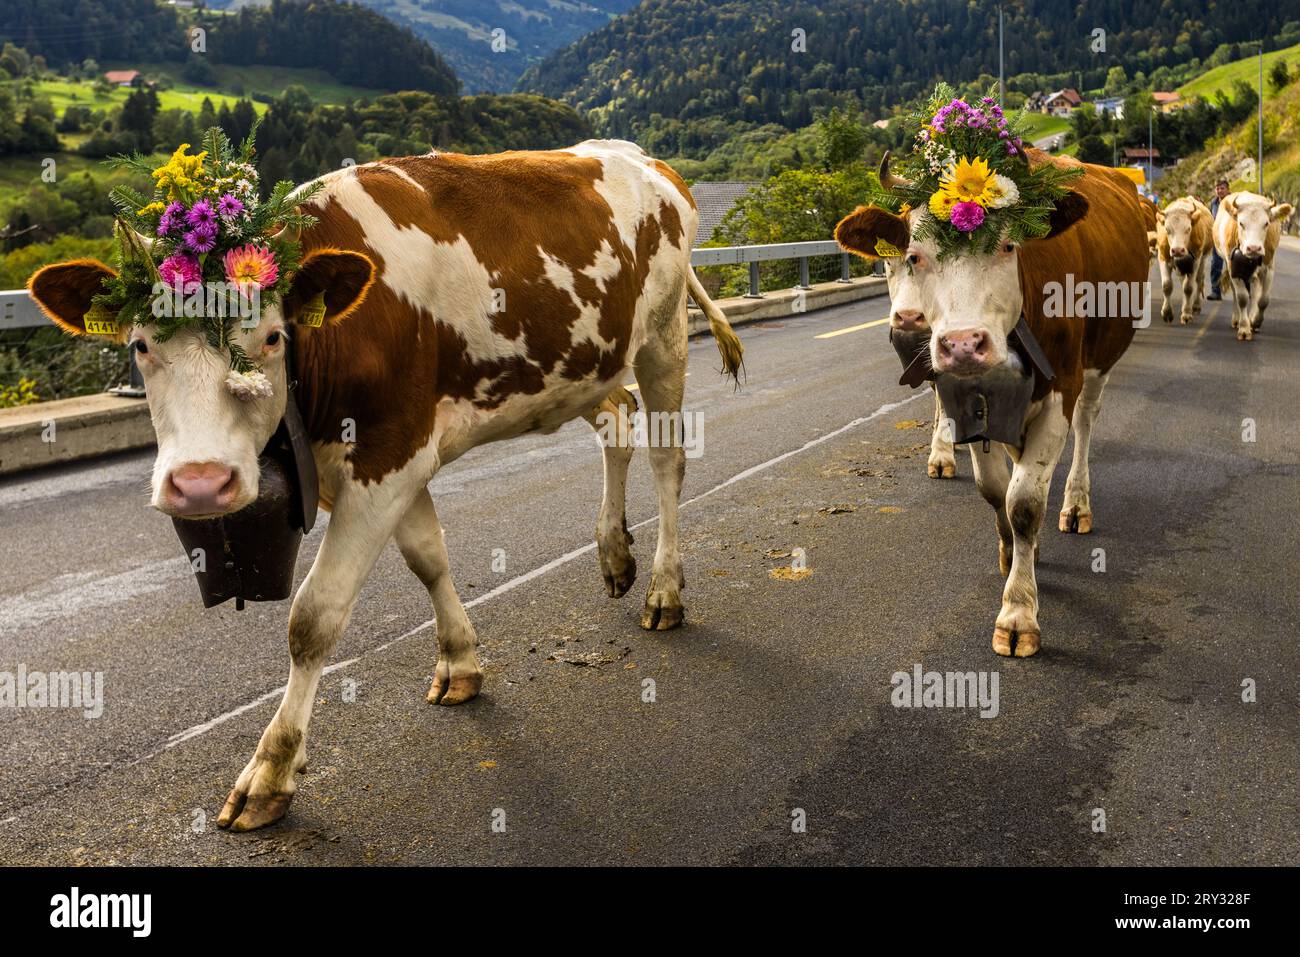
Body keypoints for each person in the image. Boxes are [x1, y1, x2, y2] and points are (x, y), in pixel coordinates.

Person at [1207, 178, 1229, 300]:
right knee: (1215, 264)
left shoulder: (1232, 201)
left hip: (1231, 238)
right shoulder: (1213, 203)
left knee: (1235, 265)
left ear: (1228, 189)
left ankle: (1242, 291)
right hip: (1217, 239)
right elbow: (1211, 218)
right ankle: (1216, 291)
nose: (1220, 191)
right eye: (1218, 188)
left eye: (1222, 188)